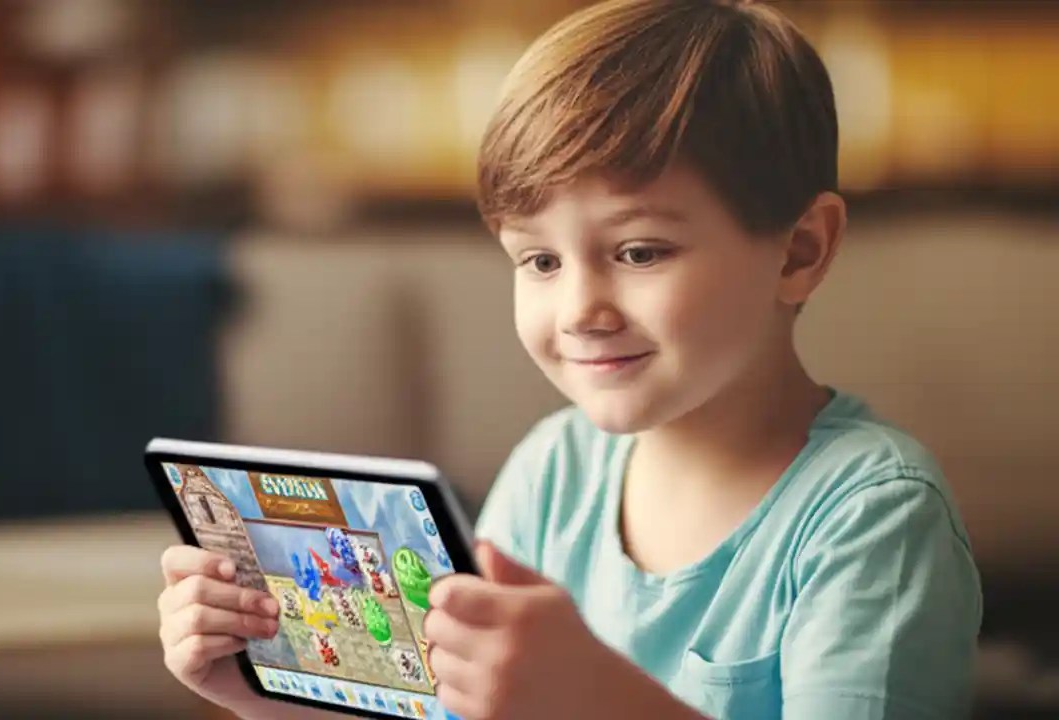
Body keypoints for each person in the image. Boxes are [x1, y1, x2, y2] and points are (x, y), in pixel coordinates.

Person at [156, 1, 983, 718]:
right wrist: (263, 695)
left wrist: (597, 700)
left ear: (800, 250)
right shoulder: (552, 474)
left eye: (640, 252)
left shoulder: (872, 517)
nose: (581, 311)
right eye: (541, 262)